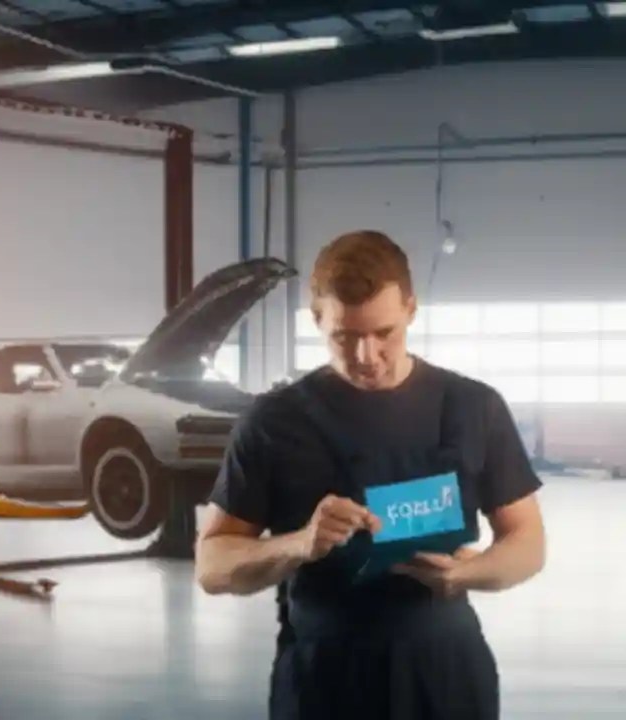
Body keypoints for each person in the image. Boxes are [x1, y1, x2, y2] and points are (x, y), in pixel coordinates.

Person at [194, 230, 546, 720]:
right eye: (345, 337)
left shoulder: (473, 407)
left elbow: (528, 541)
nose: (366, 356)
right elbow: (211, 566)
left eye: (384, 334)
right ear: (316, 320)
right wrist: (298, 544)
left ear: (410, 309)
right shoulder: (274, 421)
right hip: (324, 678)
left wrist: (468, 573)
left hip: (445, 675)